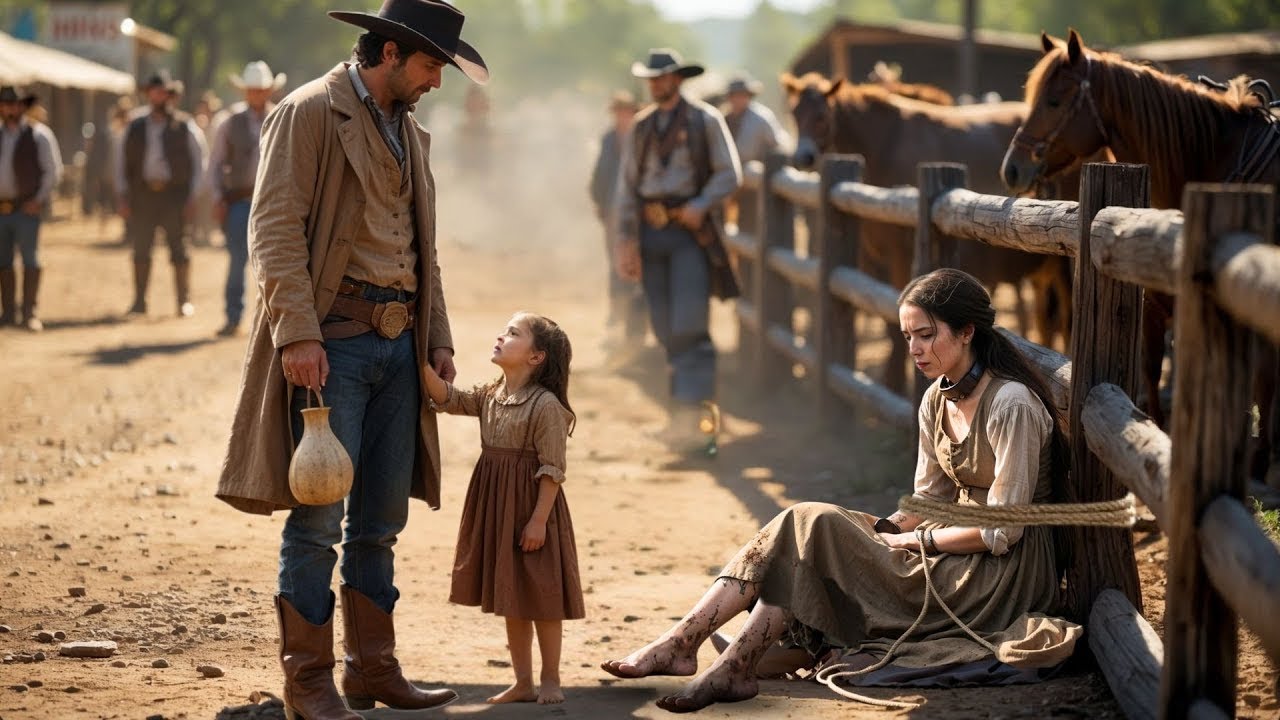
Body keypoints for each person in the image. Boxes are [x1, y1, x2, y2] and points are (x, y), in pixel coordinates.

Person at [602, 268, 1081, 713]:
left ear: (967, 332)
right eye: (908, 336)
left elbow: (1004, 532)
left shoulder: (1011, 404)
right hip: (947, 542)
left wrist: (914, 542)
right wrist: (885, 530)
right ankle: (714, 656)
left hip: (997, 576)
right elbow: (930, 499)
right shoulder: (938, 397)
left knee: (813, 526)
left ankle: (700, 651)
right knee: (809, 527)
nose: (914, 348)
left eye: (927, 335)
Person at [214, 1, 489, 718]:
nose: (438, 81)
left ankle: (373, 668)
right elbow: (273, 227)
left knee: (380, 518)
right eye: (433, 65)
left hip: (399, 344)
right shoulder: (308, 111)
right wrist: (297, 333)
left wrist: (438, 336)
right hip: (331, 342)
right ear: (392, 53)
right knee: (316, 515)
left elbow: (423, 246)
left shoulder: (412, 130)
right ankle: (308, 681)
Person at [425, 311, 583, 705]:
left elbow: (552, 470)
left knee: (543, 595)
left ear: (536, 357)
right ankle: (523, 681)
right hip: (498, 504)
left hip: (533, 508)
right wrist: (416, 355)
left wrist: (538, 522)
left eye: (514, 334)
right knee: (514, 594)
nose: (501, 336)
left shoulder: (545, 406)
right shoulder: (493, 394)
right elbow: (448, 397)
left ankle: (550, 678)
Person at [613, 48, 742, 451]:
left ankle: (700, 428)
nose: (654, 83)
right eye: (650, 78)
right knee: (665, 328)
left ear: (677, 79)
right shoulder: (641, 126)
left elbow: (729, 173)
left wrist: (700, 206)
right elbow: (627, 185)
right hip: (652, 234)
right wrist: (625, 239)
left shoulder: (705, 119)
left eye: (661, 77)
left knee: (690, 326)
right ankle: (680, 419)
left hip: (690, 234)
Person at [115, 69, 206, 318]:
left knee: (179, 249)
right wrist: (123, 196)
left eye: (163, 91)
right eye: (154, 91)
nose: (158, 96)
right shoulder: (134, 127)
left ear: (169, 94)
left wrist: (192, 197)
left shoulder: (185, 126)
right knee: (141, 248)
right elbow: (122, 164)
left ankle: (183, 301)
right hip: (143, 196)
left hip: (174, 196)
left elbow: (199, 164)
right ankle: (139, 301)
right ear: (149, 94)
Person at [205, 61, 286, 338]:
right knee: (237, 259)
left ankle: (273, 322)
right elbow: (215, 164)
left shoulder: (282, 117)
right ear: (245, 92)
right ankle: (233, 316)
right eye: (253, 90)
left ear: (268, 91)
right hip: (239, 201)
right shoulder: (228, 122)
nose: (257, 94)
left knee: (276, 263)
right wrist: (218, 198)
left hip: (273, 203)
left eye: (261, 90)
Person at [0, 86, 62, 332]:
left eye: (13, 104)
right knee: (3, 261)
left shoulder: (39, 135)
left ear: (22, 106)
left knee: (30, 260)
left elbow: (52, 171)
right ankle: (8, 312)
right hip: (1, 207)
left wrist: (38, 199)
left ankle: (29, 312)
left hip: (26, 207)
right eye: (4, 104)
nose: (8, 108)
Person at [588, 89, 646, 352]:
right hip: (613, 210)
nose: (621, 116)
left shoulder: (643, 138)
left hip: (638, 213)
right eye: (618, 112)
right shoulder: (610, 139)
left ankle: (636, 326)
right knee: (616, 265)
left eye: (625, 111)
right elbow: (600, 174)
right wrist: (600, 203)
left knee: (638, 267)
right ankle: (616, 318)